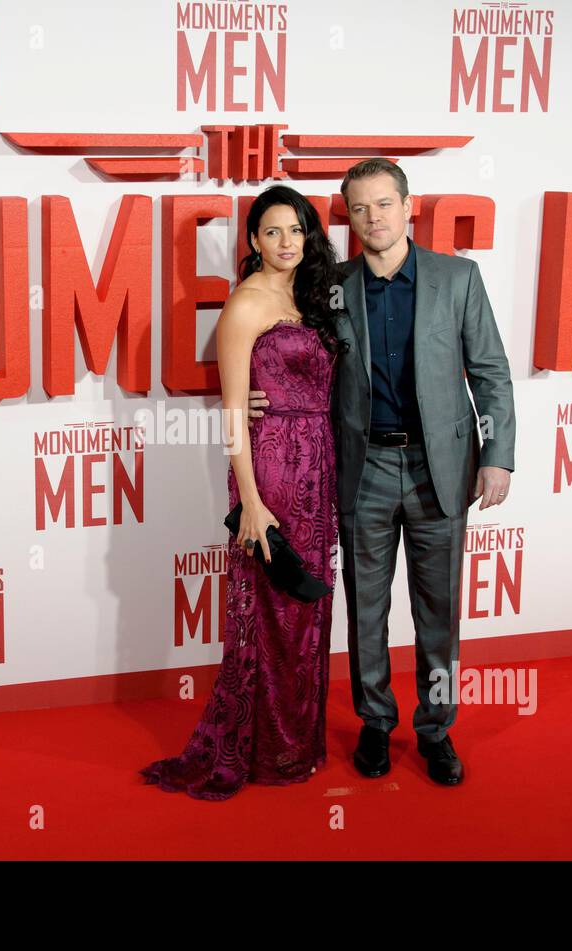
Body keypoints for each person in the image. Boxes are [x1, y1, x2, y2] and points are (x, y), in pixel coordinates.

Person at [249, 159, 516, 785]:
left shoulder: (459, 278)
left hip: (440, 470)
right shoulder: (329, 285)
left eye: (384, 205)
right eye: (360, 209)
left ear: (408, 206)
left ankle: (436, 729)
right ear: (349, 215)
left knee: (438, 610)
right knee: (366, 605)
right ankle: (375, 722)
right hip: (360, 468)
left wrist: (497, 454)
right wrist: (256, 394)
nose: (373, 219)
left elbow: (492, 374)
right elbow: (282, 344)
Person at [140, 185, 347, 800]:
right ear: (254, 241)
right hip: (272, 468)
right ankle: (261, 750)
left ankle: (297, 746)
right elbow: (233, 411)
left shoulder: (312, 294)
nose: (287, 243)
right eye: (273, 232)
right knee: (272, 605)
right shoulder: (246, 304)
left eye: (296, 230)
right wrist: (252, 504)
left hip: (319, 462)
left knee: (308, 609)